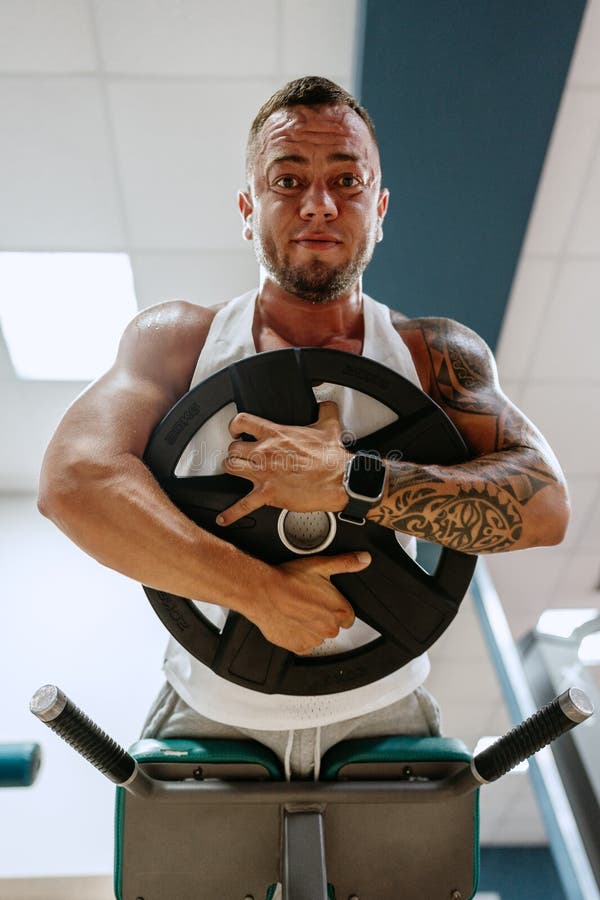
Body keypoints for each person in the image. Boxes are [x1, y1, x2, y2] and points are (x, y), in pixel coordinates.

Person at [38, 76, 569, 781]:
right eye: (288, 180)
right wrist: (261, 594)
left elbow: (545, 508)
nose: (319, 203)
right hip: (210, 710)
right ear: (247, 209)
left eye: (347, 180)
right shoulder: (178, 342)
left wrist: (352, 481)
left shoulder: (432, 356)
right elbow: (74, 482)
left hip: (389, 710)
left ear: (379, 210)